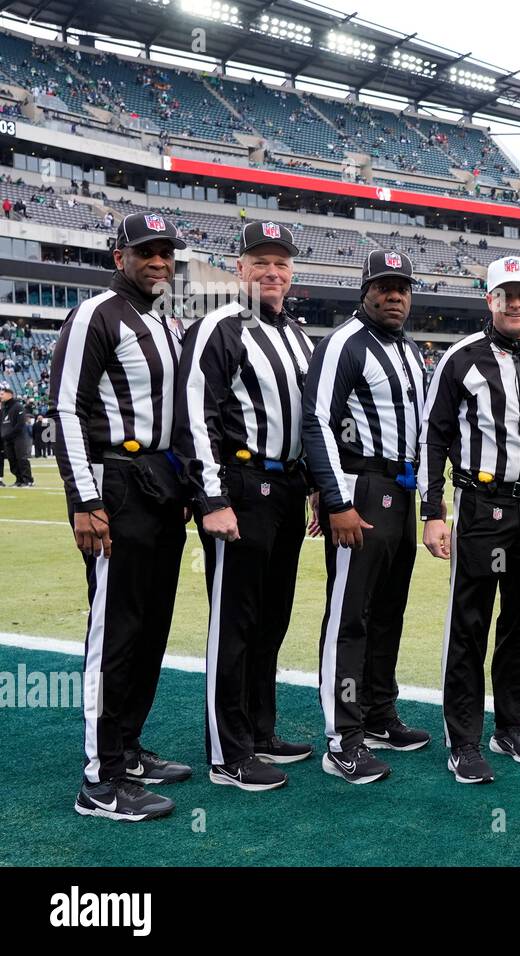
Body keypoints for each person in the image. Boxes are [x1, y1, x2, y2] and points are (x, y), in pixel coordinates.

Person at [51, 212, 193, 822]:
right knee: (115, 629)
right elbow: (67, 409)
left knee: (151, 625)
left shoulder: (164, 321)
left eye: (166, 252)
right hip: (116, 481)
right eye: (145, 251)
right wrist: (85, 501)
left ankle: (128, 749)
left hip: (160, 483)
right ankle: (100, 779)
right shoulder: (96, 315)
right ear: (119, 257)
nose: (158, 261)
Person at [419, 256, 520, 784]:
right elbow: (433, 436)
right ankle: (463, 739)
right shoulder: (461, 358)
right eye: (505, 294)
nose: (515, 303)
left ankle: (511, 725)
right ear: (489, 300)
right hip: (480, 505)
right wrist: (433, 511)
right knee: (469, 624)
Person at [173, 221, 316, 792]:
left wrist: (313, 486)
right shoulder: (220, 326)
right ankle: (227, 752)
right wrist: (211, 497)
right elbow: (196, 414)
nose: (272, 272)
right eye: (260, 262)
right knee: (234, 622)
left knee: (272, 619)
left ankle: (260, 730)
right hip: (241, 484)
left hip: (286, 488)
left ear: (292, 273)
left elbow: (309, 421)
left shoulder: (299, 336)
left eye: (281, 264)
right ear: (239, 268)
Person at [303, 249, 431, 785]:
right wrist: (336, 500)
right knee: (350, 616)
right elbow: (317, 422)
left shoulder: (408, 349)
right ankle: (343, 738)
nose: (394, 295)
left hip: (401, 488)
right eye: (384, 286)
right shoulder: (344, 343)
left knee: (387, 612)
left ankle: (378, 713)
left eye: (402, 287)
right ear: (365, 291)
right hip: (362, 485)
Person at [0, 383, 34, 487]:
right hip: (7, 439)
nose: (0, 396)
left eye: (2, 394)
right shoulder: (4, 408)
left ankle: (28, 480)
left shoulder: (18, 406)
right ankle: (19, 480)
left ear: (9, 394)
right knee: (12, 460)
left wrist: (10, 434)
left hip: (19, 438)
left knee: (21, 458)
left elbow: (20, 424)